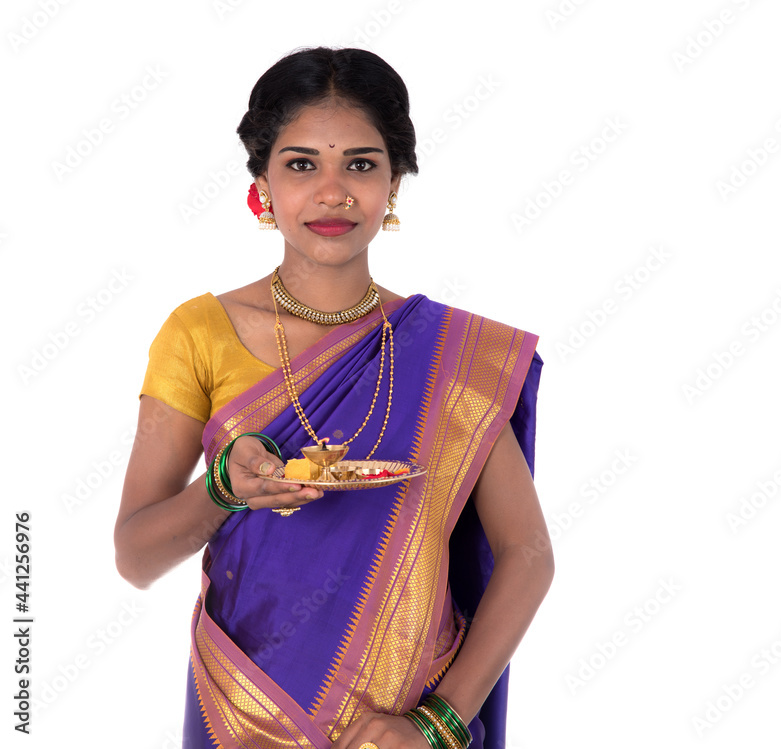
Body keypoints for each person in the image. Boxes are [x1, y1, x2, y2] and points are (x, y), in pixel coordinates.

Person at [113, 47, 553, 749]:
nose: (332, 191)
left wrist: (439, 721)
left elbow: (527, 550)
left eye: (360, 163)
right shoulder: (199, 333)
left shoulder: (450, 354)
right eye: (300, 164)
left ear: (395, 184)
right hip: (240, 712)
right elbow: (134, 555)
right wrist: (223, 487)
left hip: (401, 721)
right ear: (261, 182)